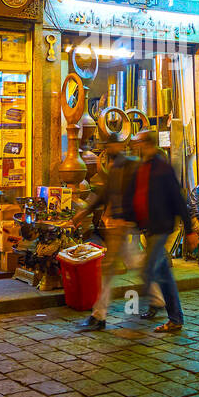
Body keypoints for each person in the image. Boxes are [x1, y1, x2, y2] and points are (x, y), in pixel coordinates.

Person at [72, 139, 163, 331]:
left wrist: (124, 217)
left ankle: (99, 315)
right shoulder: (116, 167)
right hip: (120, 223)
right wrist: (84, 213)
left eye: (109, 146)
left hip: (122, 224)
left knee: (110, 269)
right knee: (135, 262)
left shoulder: (129, 166)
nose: (107, 149)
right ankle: (158, 299)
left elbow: (132, 195)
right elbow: (105, 194)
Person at [122, 130, 193, 334]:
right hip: (148, 227)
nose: (136, 145)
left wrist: (189, 230)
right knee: (162, 273)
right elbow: (135, 195)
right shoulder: (141, 168)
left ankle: (145, 310)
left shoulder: (162, 169)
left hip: (161, 226)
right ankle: (174, 317)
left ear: (147, 144)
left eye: (139, 142)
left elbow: (178, 199)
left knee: (149, 269)